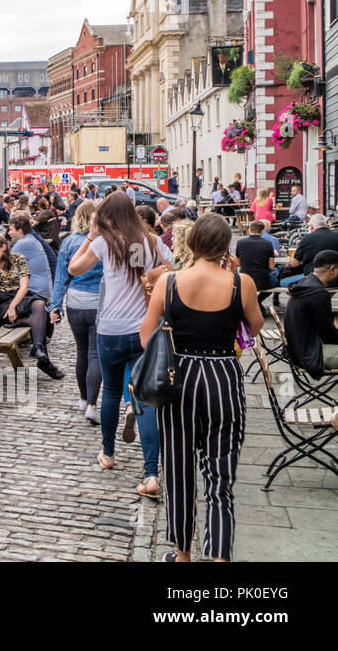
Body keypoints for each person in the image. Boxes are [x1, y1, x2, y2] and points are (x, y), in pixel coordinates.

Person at [140, 215, 261, 562]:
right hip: (223, 376)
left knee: (178, 471)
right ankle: (219, 555)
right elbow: (253, 328)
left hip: (181, 377)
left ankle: (182, 555)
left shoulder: (169, 282)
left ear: (191, 243)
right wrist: (235, 273)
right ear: (226, 247)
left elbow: (146, 334)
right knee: (220, 476)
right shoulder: (242, 283)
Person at [69, 190, 173, 499]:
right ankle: (151, 473)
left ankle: (108, 453)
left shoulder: (103, 242)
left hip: (110, 330)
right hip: (144, 329)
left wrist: (90, 236)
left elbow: (75, 269)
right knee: (145, 399)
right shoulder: (149, 241)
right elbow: (174, 268)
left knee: (112, 392)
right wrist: (151, 274)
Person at [50, 200, 102, 420]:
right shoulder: (103, 242)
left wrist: (55, 305)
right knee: (94, 354)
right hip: (98, 300)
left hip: (74, 300)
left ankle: (82, 399)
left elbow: (61, 277)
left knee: (81, 351)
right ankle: (92, 404)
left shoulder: (70, 242)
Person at [0, 231, 61, 379]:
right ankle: (44, 361)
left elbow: (24, 287)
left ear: (3, 248)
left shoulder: (18, 259)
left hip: (21, 296)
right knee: (41, 317)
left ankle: (37, 347)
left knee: (39, 304)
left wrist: (14, 307)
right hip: (4, 301)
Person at [283, 249, 338, 378]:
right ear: (332, 269)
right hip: (312, 354)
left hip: (298, 350)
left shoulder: (305, 284)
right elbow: (328, 335)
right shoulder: (318, 294)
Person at [284, 213, 338, 287]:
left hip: (313, 278)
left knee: (283, 282)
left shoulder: (307, 239)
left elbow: (294, 263)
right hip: (335, 279)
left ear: (312, 227)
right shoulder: (336, 236)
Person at [236, 220, 278, 299]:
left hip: (245, 280)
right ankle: (258, 301)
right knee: (276, 282)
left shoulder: (240, 242)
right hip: (263, 282)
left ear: (249, 230)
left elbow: (238, 263)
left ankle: (252, 302)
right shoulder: (268, 244)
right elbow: (271, 266)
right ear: (262, 231)